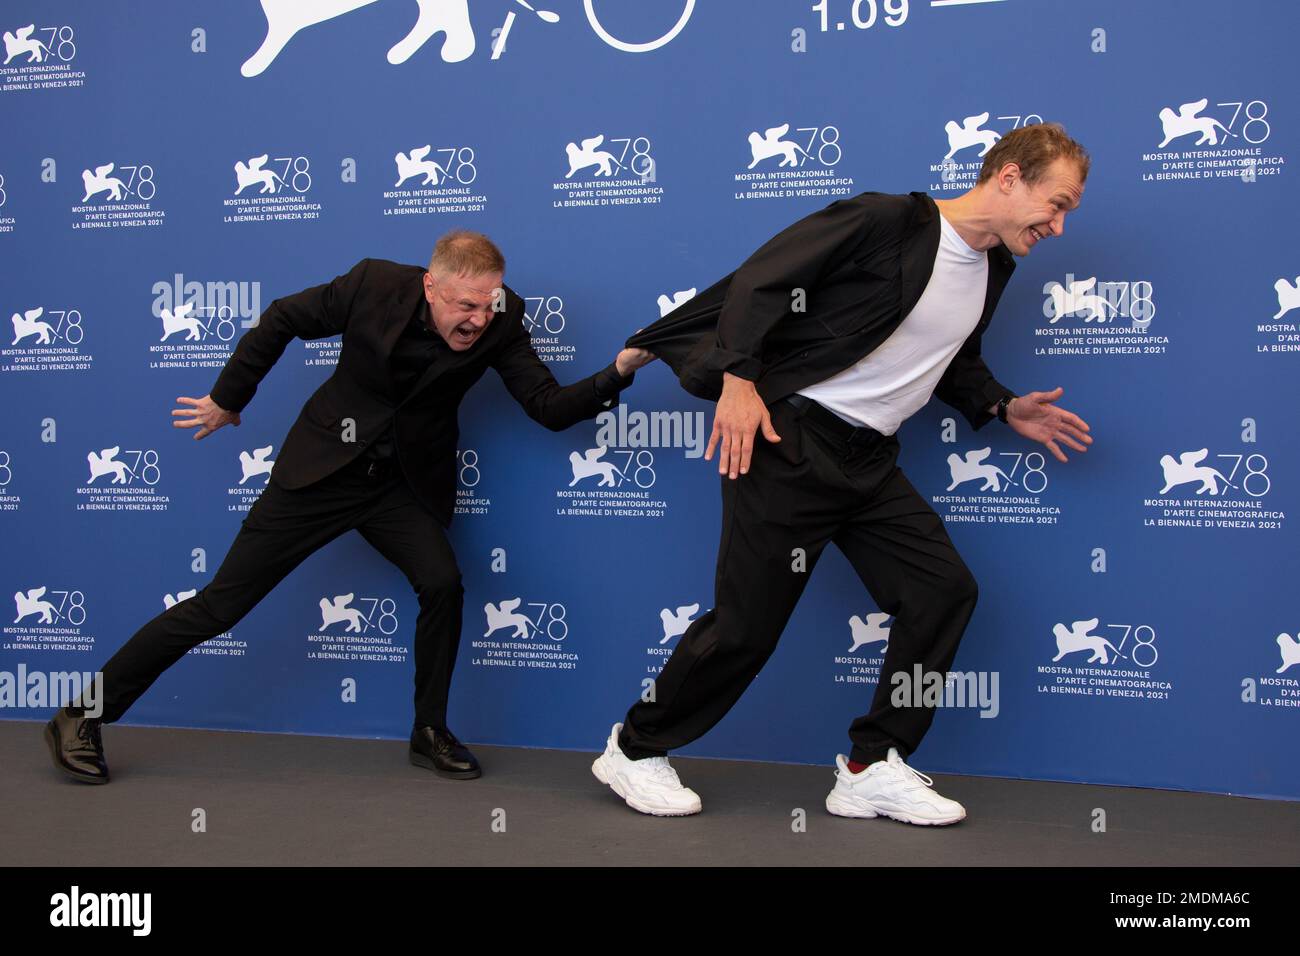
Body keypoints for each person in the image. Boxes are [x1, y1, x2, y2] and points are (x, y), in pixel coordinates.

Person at [591, 123, 1092, 823]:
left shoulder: (995, 268)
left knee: (941, 592)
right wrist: (739, 379)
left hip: (869, 458)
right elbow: (765, 280)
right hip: (789, 441)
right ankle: (635, 748)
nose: (1061, 226)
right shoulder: (886, 220)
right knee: (746, 627)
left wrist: (1003, 407)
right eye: (1057, 203)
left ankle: (870, 766)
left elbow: (953, 357)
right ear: (1008, 177)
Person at [46, 230, 654, 784]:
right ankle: (81, 714)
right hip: (321, 473)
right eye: (465, 305)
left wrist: (619, 371)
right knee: (218, 607)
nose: (477, 319)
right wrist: (229, 398)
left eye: (488, 302)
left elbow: (547, 407)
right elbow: (284, 316)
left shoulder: (502, 318)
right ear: (429, 284)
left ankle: (428, 731)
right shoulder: (373, 284)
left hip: (399, 485)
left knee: (442, 582)